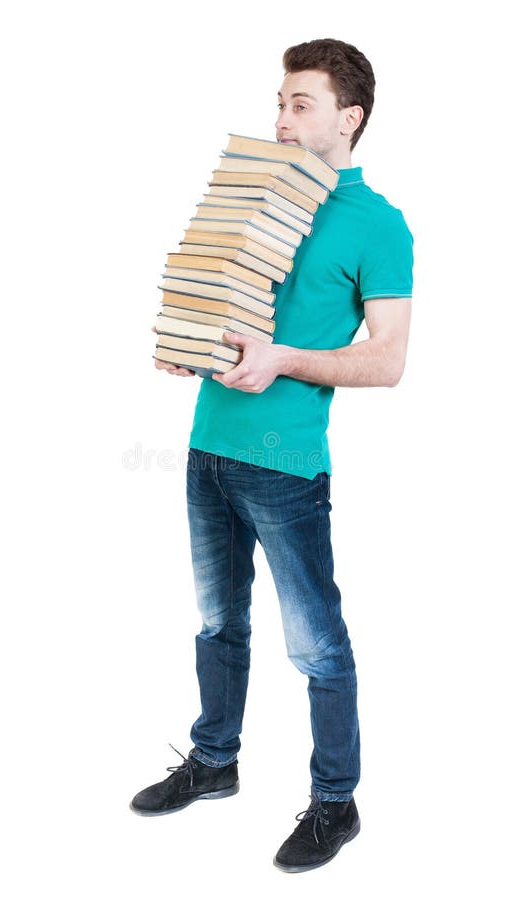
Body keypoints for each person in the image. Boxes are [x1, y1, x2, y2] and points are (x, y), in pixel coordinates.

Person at [131, 37, 414, 873]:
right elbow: (229, 316)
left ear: (347, 118)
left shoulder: (378, 224)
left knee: (316, 645)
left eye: (301, 105)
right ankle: (214, 762)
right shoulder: (255, 198)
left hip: (285, 464)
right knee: (218, 622)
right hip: (207, 445)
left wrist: (283, 359)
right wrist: (195, 346)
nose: (282, 119)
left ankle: (336, 803)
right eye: (279, 103)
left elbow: (389, 361)